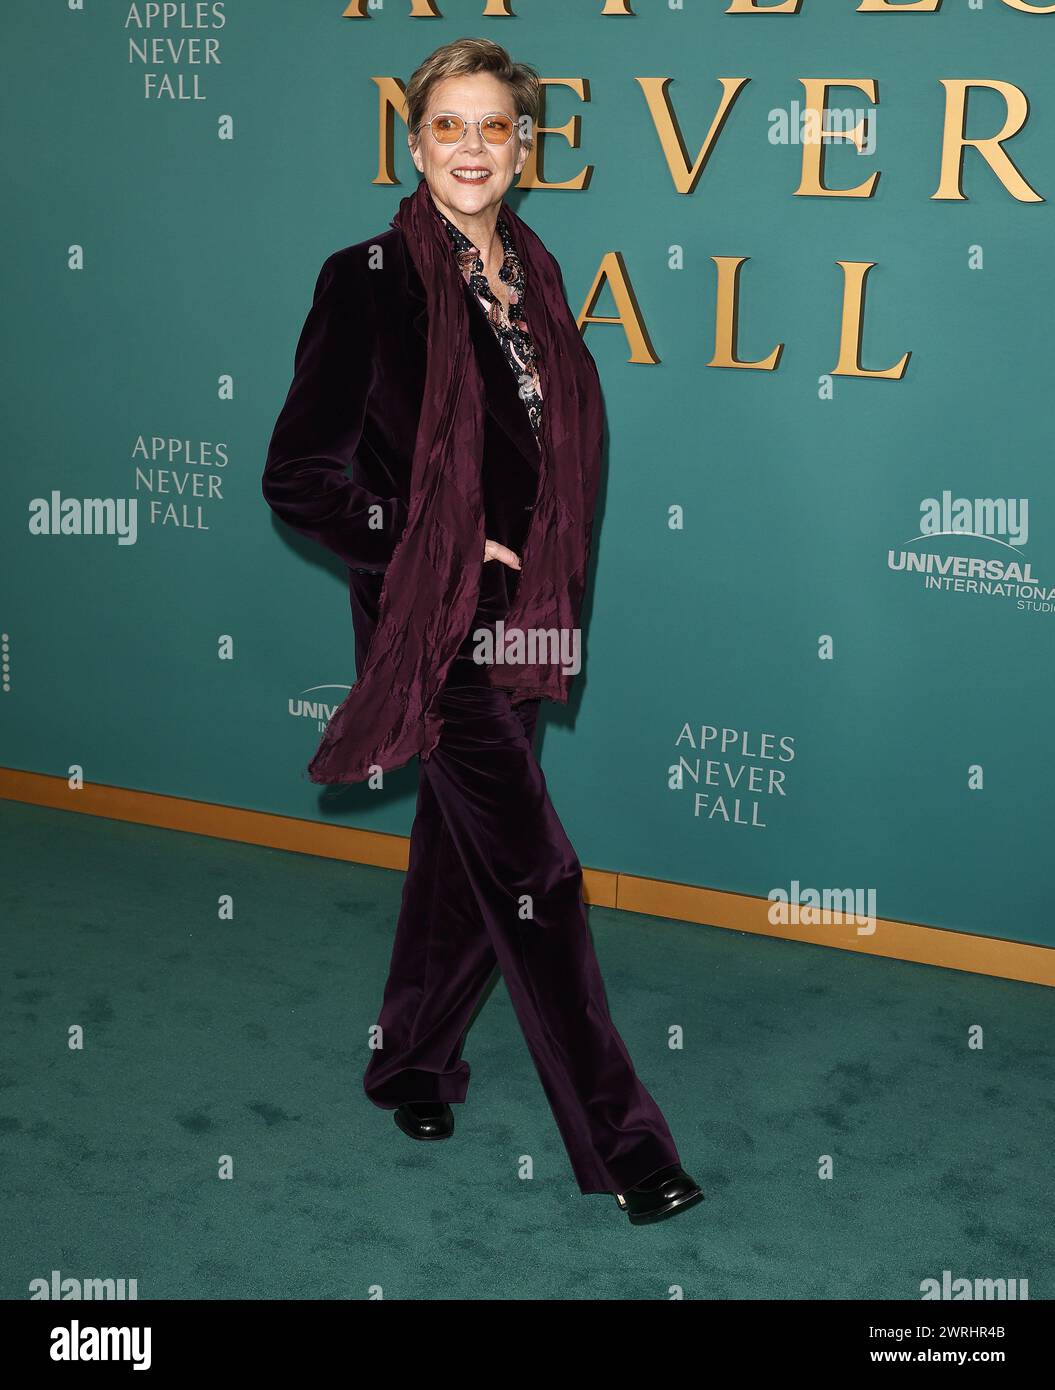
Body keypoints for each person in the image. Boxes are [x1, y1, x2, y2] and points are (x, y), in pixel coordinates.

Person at [262, 37, 702, 1226]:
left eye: (493, 128)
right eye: (446, 127)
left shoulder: (535, 268)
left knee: (466, 852)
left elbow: (545, 452)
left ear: (525, 145)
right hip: (433, 618)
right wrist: (431, 538)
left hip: (529, 614)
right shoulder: (366, 277)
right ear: (414, 145)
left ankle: (409, 1059)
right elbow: (300, 475)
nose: (471, 149)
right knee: (539, 872)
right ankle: (626, 1145)